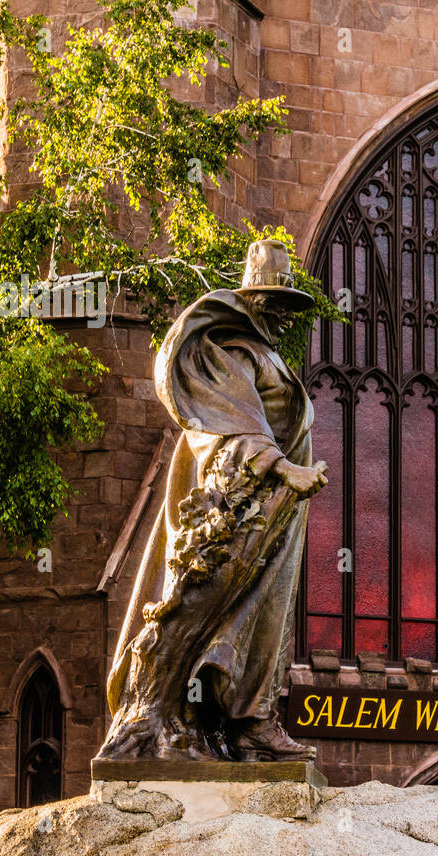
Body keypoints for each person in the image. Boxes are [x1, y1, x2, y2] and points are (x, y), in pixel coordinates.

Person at [98, 239, 328, 762]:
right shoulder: (229, 352)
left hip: (277, 511)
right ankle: (172, 719)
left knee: (265, 613)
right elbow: (233, 421)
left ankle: (250, 722)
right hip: (239, 509)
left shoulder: (267, 354)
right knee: (208, 611)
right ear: (250, 300)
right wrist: (283, 468)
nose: (282, 317)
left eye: (287, 306)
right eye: (272, 302)